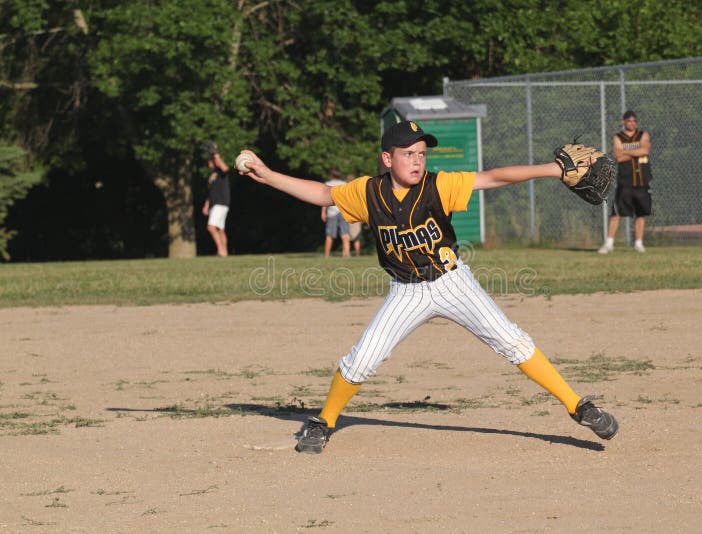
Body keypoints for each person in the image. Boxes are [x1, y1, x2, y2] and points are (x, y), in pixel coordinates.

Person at [236, 120, 618, 454]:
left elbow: (494, 177)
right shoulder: (367, 192)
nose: (418, 161)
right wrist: (267, 174)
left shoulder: (440, 186)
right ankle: (323, 421)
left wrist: (553, 169)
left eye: (421, 153)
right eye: (408, 154)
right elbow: (322, 194)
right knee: (363, 359)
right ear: (387, 159)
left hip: (453, 282)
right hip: (407, 291)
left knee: (513, 341)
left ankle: (579, 407)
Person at [598, 110, 653, 254]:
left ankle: (638, 243)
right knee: (616, 212)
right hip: (625, 180)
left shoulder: (643, 135)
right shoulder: (618, 137)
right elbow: (618, 156)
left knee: (641, 213)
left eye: (634, 121)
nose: (632, 123)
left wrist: (627, 152)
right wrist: (636, 151)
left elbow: (645, 150)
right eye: (629, 121)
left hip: (642, 180)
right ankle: (609, 243)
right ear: (624, 122)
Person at [202, 143, 231, 257]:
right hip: (214, 204)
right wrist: (206, 205)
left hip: (221, 203)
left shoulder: (220, 172)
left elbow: (225, 167)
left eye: (211, 160)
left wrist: (215, 153)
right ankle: (225, 252)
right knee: (220, 229)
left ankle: (221, 251)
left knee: (211, 227)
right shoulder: (212, 175)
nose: (209, 162)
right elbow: (210, 193)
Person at [321, 167, 350, 257]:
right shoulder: (344, 184)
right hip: (343, 211)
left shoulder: (328, 184)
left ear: (330, 175)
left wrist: (323, 212)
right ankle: (346, 254)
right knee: (345, 234)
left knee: (329, 234)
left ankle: (326, 255)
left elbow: (324, 200)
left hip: (332, 213)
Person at [345, 174, 363, 256]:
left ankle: (347, 253)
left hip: (348, 215)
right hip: (357, 216)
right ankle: (357, 254)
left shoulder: (345, 192)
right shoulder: (357, 192)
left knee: (346, 236)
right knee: (356, 237)